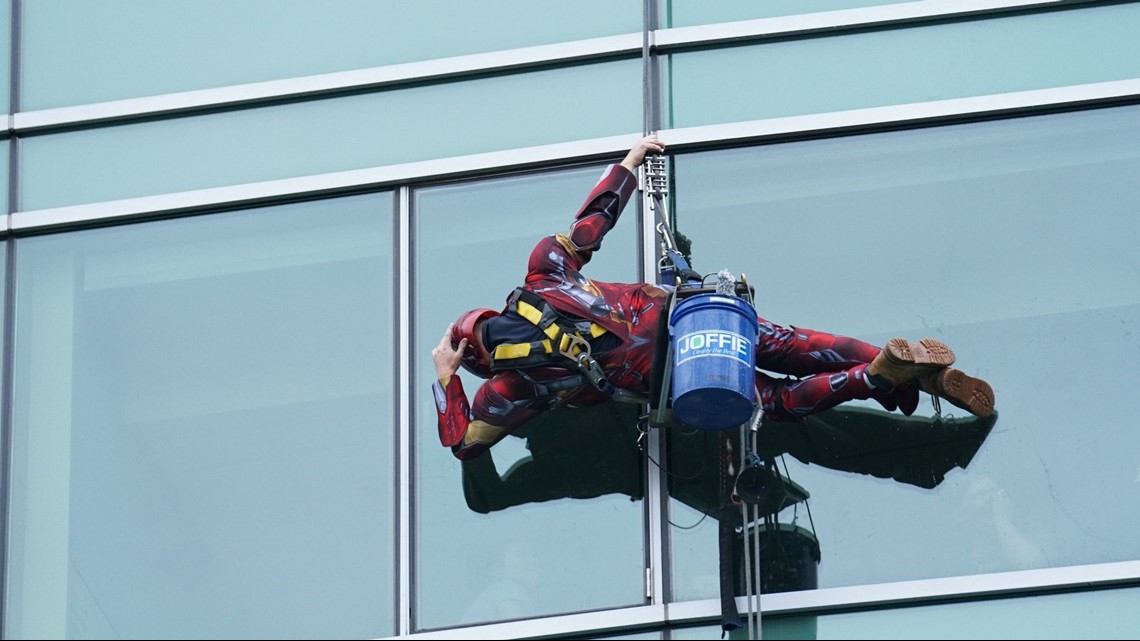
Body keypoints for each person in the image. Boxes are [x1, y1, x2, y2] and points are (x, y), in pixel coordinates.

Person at [432, 135, 995, 461]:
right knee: (797, 344)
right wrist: (629, 164)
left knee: (774, 402)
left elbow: (464, 444)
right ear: (492, 311)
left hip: (675, 375)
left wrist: (446, 380)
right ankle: (893, 365)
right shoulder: (543, 275)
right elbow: (593, 222)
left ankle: (876, 376)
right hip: (693, 317)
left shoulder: (514, 387)